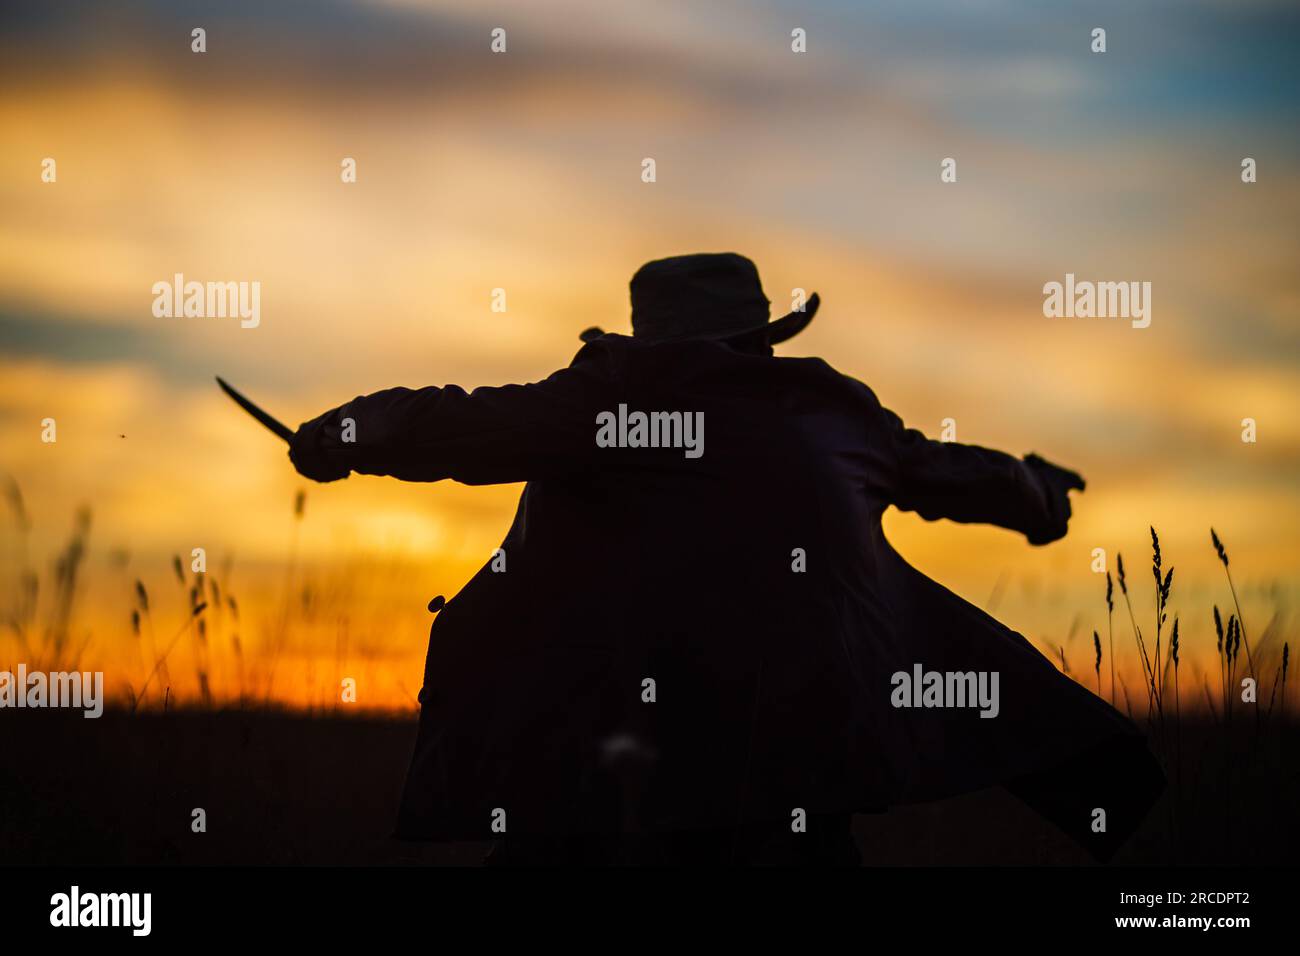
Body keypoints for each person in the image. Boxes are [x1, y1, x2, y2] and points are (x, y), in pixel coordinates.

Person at [288, 252, 1163, 865]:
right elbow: (965, 474)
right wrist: (1041, 492)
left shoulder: (618, 396)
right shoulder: (837, 412)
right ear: (764, 335)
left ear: (647, 337)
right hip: (807, 760)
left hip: (618, 768)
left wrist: (344, 432)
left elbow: (460, 422)